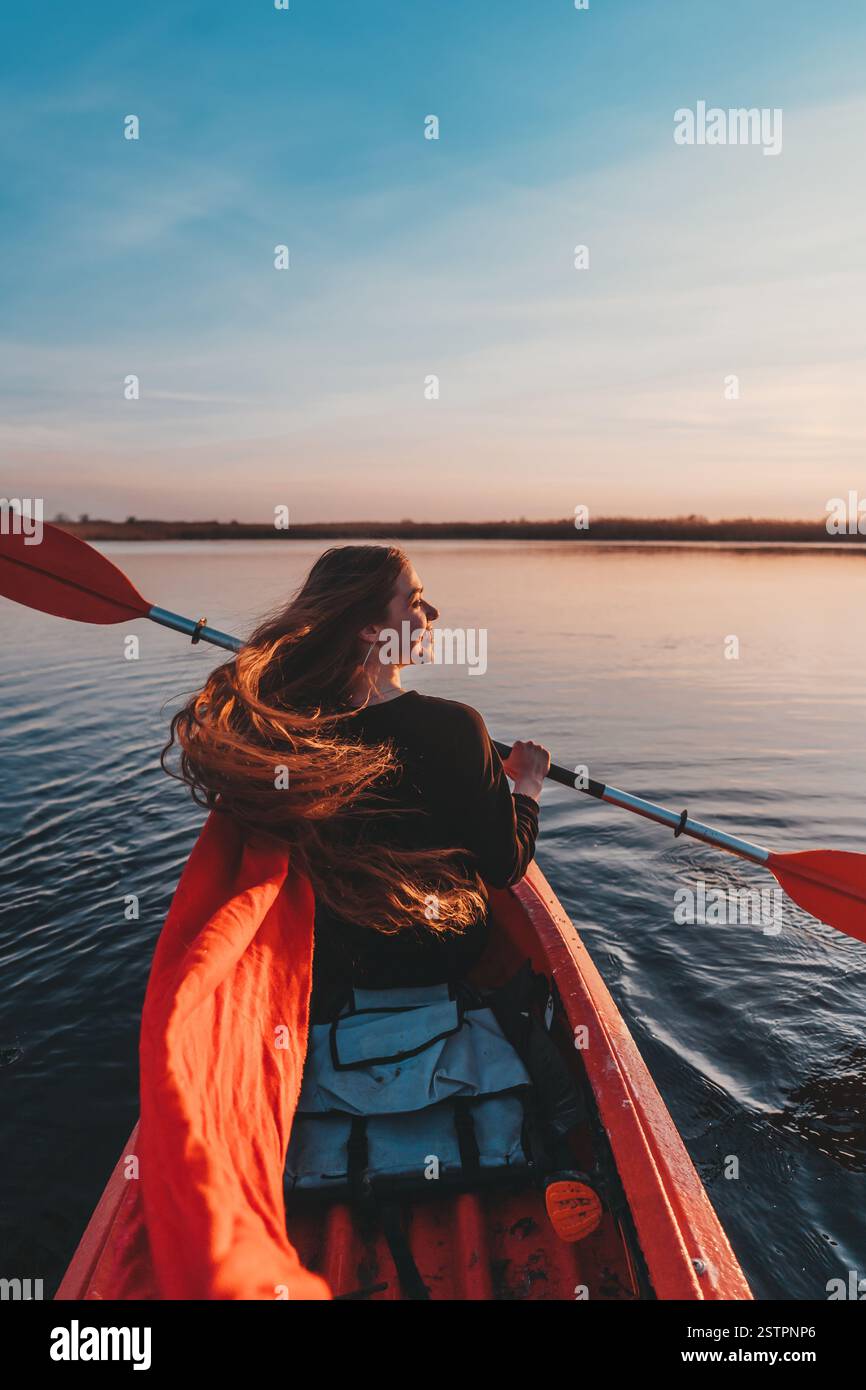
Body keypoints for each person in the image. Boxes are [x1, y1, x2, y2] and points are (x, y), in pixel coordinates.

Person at [162, 544, 550, 1021]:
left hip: (337, 963)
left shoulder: (286, 732)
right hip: (445, 954)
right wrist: (527, 786)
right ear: (370, 629)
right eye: (414, 601)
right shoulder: (458, 727)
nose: (433, 612)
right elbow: (504, 866)